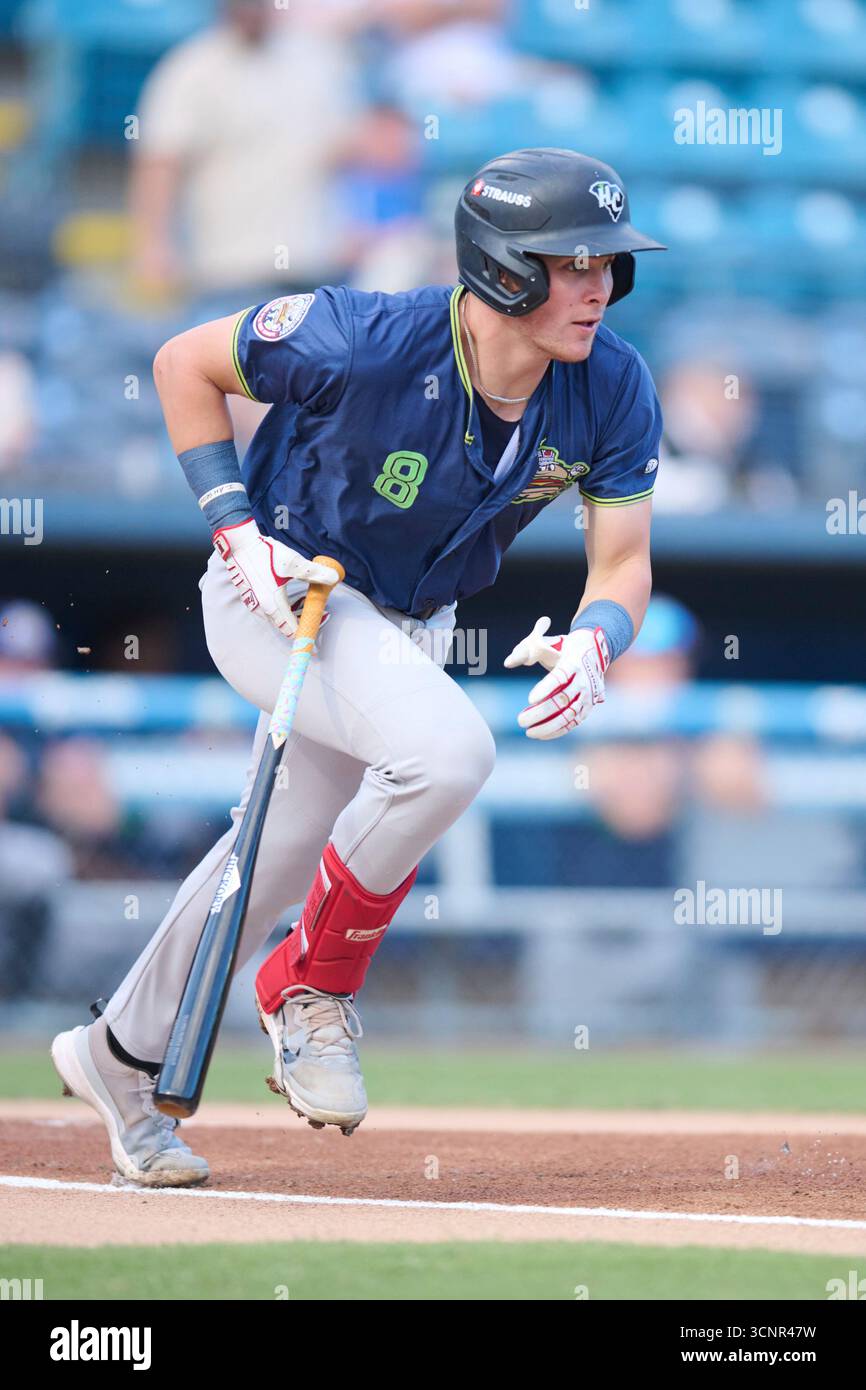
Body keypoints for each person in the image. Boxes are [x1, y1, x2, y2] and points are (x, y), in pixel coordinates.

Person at [52, 148, 666, 1186]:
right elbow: (180, 362)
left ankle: (116, 1056)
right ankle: (310, 983)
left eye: (606, 259)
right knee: (448, 753)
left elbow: (623, 560)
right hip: (285, 594)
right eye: (568, 261)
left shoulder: (610, 383)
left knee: (268, 862)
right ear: (503, 267)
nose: (596, 283)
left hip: (407, 624)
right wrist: (229, 522)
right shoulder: (367, 334)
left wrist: (596, 636)